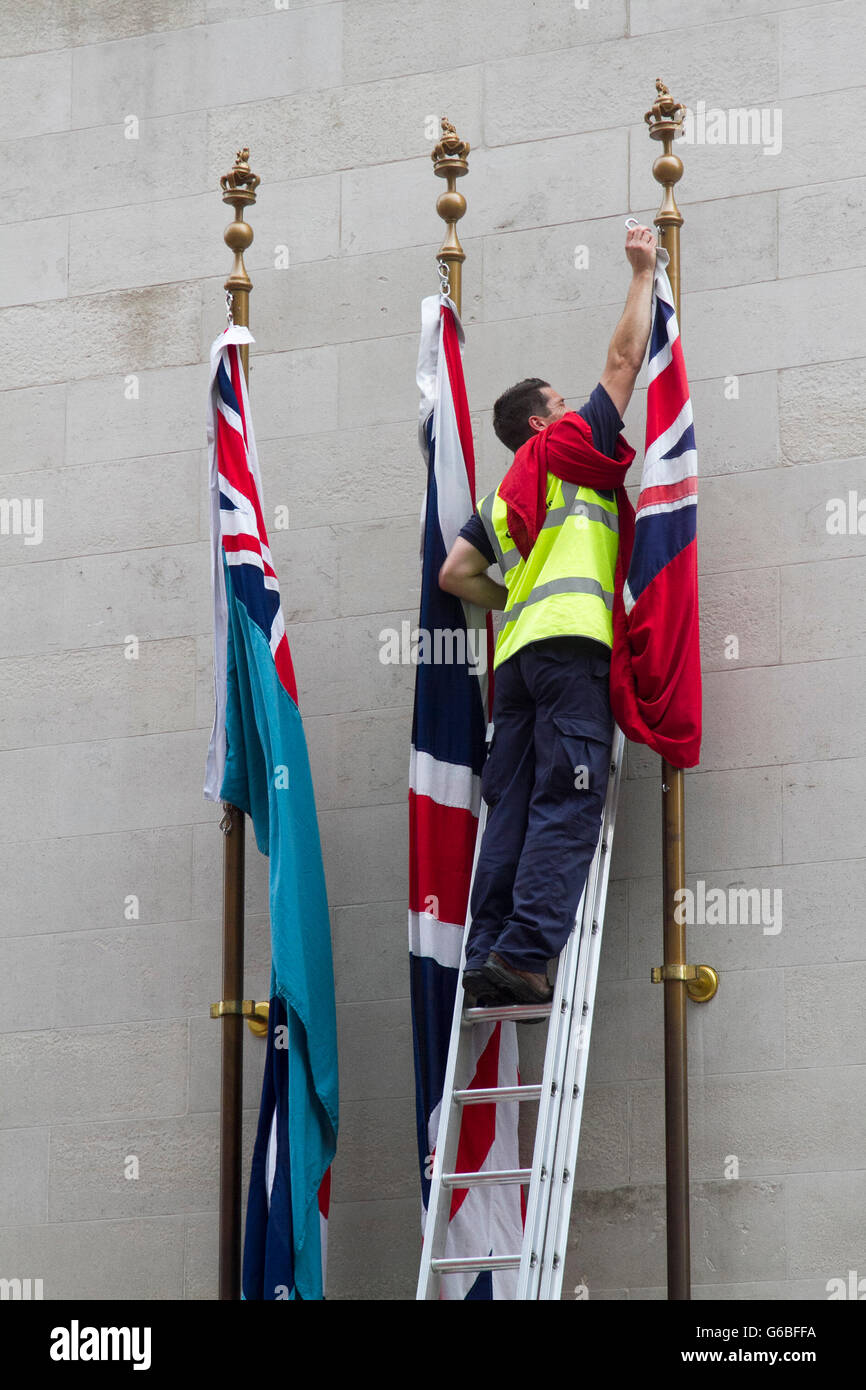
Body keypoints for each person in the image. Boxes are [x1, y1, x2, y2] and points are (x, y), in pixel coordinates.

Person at [438, 223, 657, 1007]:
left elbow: (456, 573)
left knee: (515, 808)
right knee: (568, 798)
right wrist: (644, 274)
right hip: (571, 654)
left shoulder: (504, 496)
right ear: (542, 423)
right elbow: (625, 362)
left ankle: (489, 948)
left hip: (520, 664)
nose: (579, 407)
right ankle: (526, 956)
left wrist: (515, 604)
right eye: (562, 404)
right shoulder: (572, 446)